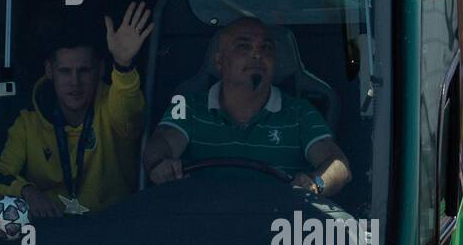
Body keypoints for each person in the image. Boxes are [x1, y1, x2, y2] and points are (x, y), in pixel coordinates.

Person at [143, 16, 351, 198]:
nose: (257, 55)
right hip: (202, 222)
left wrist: (316, 183)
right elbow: (161, 143)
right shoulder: (188, 106)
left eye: (266, 48)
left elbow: (338, 165)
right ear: (219, 61)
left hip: (276, 228)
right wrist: (160, 165)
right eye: (243, 46)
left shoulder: (300, 112)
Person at [0, 2, 153, 217]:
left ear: (100, 69)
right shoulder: (27, 117)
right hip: (53, 226)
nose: (75, 82)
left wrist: (123, 65)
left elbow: (131, 114)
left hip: (112, 225)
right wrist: (26, 190)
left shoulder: (114, 102)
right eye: (65, 71)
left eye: (84, 71)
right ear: (49, 70)